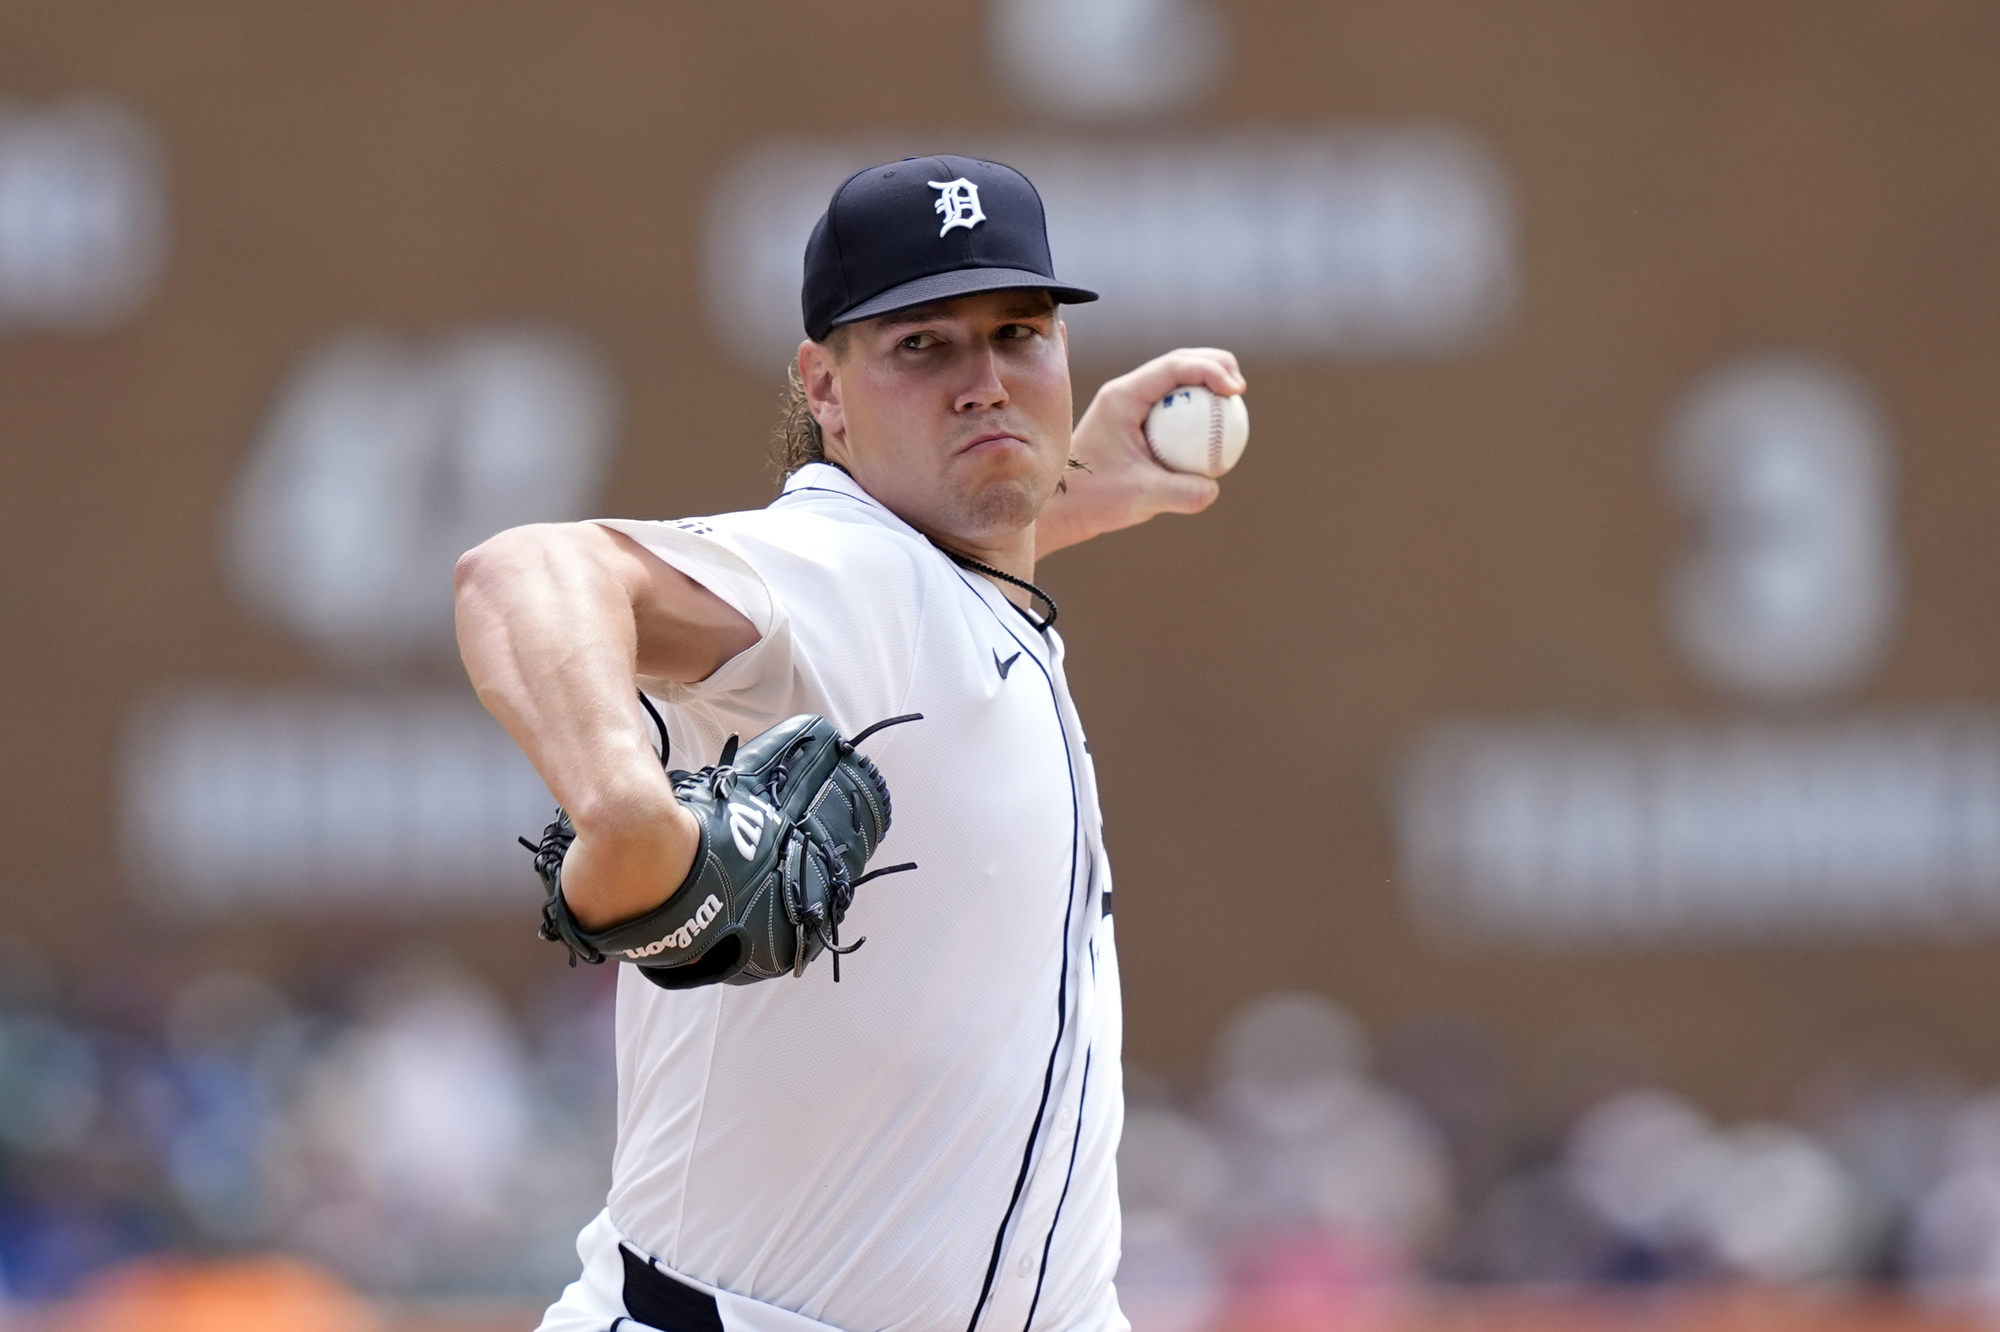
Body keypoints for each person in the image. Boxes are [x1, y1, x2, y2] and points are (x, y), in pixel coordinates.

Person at [456, 155, 1244, 1332]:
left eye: (1018, 333)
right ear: (823, 389)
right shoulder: (845, 567)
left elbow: (946, 599)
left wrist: (1069, 483)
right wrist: (630, 814)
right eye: (921, 347)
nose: (984, 381)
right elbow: (522, 573)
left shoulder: (942, 598)